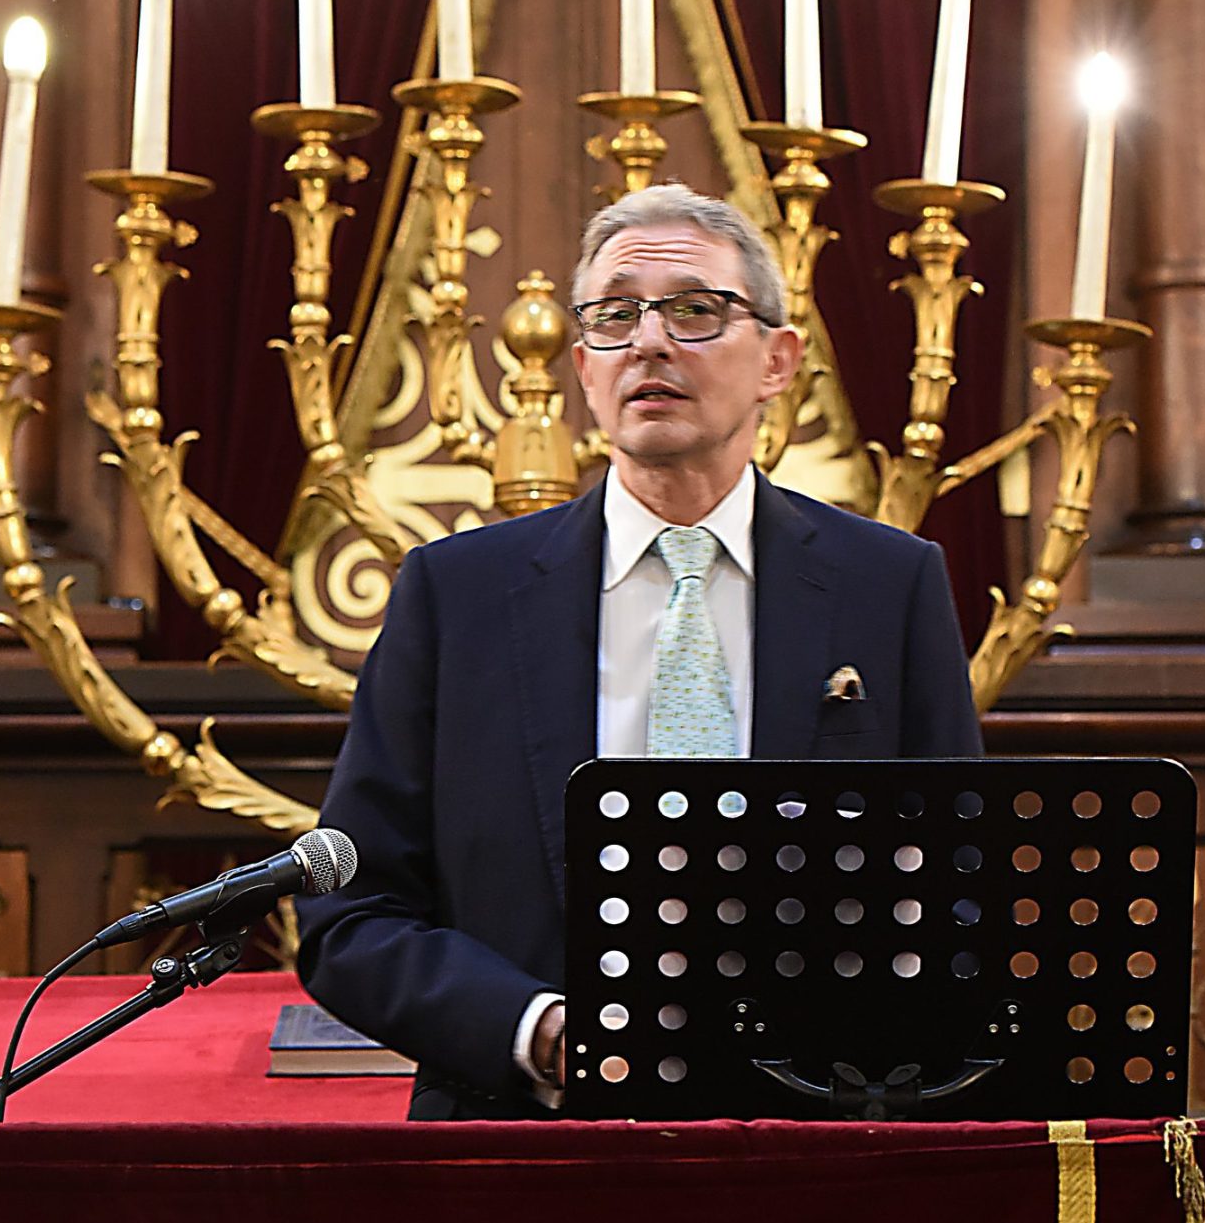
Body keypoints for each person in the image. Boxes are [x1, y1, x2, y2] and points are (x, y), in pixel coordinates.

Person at [297, 183, 982, 1119]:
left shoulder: (887, 585)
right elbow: (352, 912)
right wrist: (537, 1029)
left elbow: (951, 884)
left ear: (779, 359)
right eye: (617, 316)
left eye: (696, 310)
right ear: (583, 364)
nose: (649, 341)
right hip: (520, 1140)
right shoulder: (455, 596)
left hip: (811, 1139)